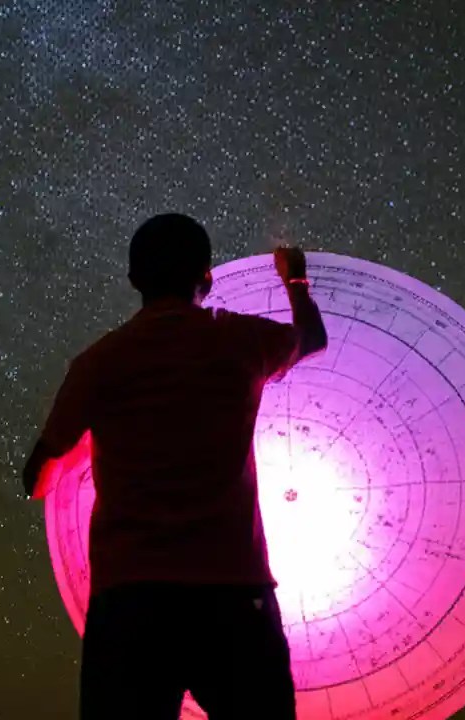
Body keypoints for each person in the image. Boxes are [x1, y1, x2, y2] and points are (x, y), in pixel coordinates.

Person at [21, 213, 328, 719]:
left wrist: (82, 446)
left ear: (134, 280)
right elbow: (311, 338)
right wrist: (294, 279)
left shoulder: (100, 362)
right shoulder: (240, 342)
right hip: (234, 600)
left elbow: (37, 479)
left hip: (130, 604)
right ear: (205, 277)